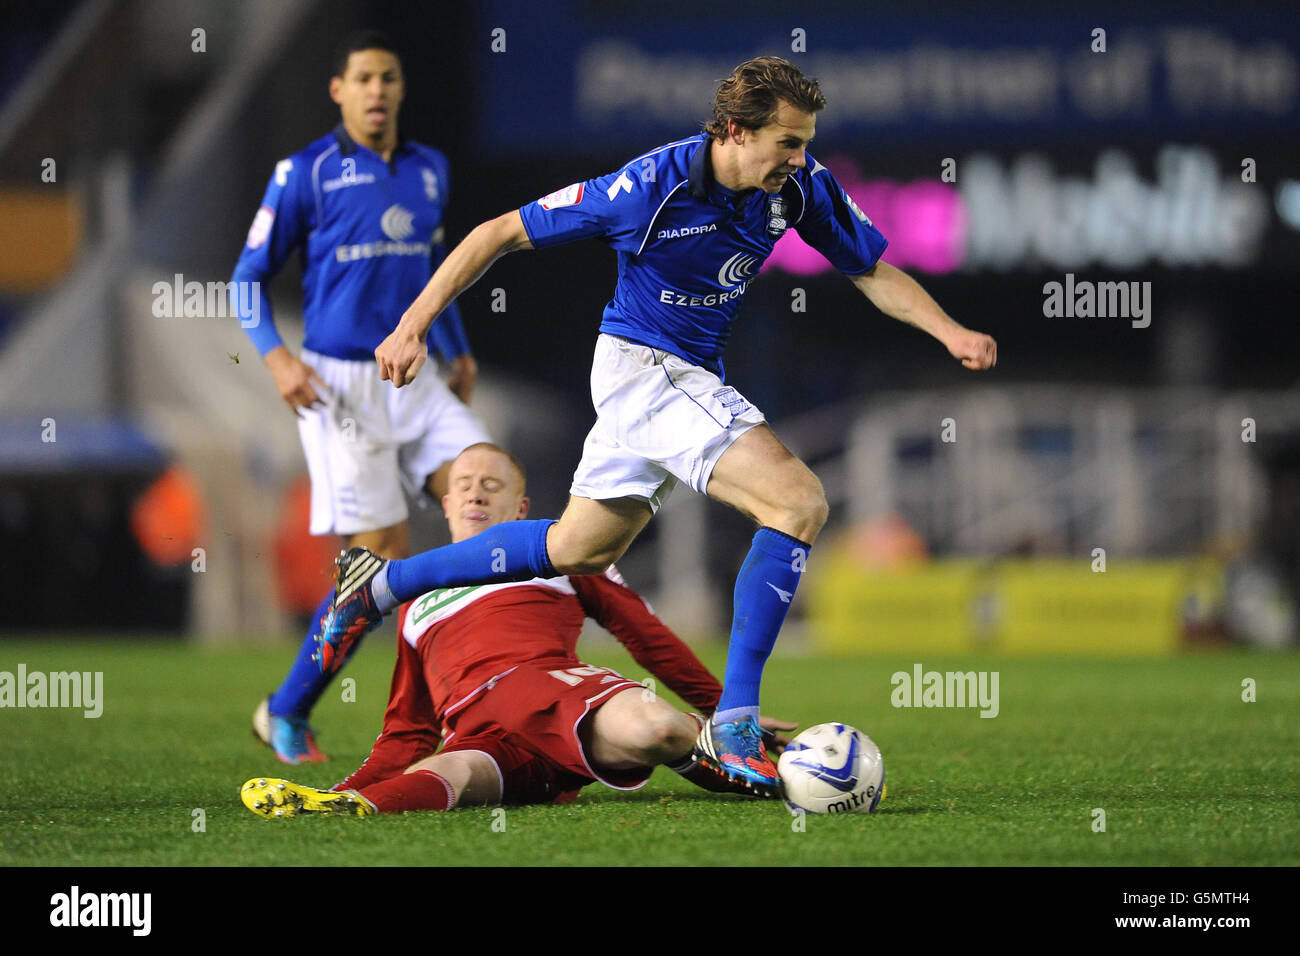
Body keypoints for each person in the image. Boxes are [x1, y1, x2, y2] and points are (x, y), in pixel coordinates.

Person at [321, 56, 997, 796]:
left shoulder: (800, 187)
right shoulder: (649, 186)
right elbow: (496, 233)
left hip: (674, 379)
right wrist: (412, 325)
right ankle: (735, 725)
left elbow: (871, 269)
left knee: (578, 549)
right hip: (646, 369)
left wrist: (949, 331)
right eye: (788, 143)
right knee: (798, 500)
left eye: (806, 143)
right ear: (737, 131)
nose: (800, 159)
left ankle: (383, 584)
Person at [240, 443, 795, 817]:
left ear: (521, 506)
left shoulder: (562, 556)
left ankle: (744, 759)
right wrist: (350, 784)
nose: (476, 493)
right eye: (464, 485)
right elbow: (407, 729)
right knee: (451, 773)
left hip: (554, 697)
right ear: (448, 501)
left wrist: (727, 712)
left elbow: (646, 636)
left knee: (658, 731)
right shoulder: (414, 599)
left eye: (491, 484)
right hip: (481, 737)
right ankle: (340, 806)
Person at [229, 30, 491, 764]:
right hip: (341, 385)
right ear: (339, 91)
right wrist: (277, 359)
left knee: (488, 496)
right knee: (378, 560)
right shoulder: (303, 172)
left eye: (389, 77)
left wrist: (456, 345)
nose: (377, 89)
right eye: (364, 78)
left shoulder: (429, 169)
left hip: (419, 375)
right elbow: (245, 278)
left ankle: (464, 700)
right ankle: (286, 707)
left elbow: (432, 264)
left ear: (401, 89)